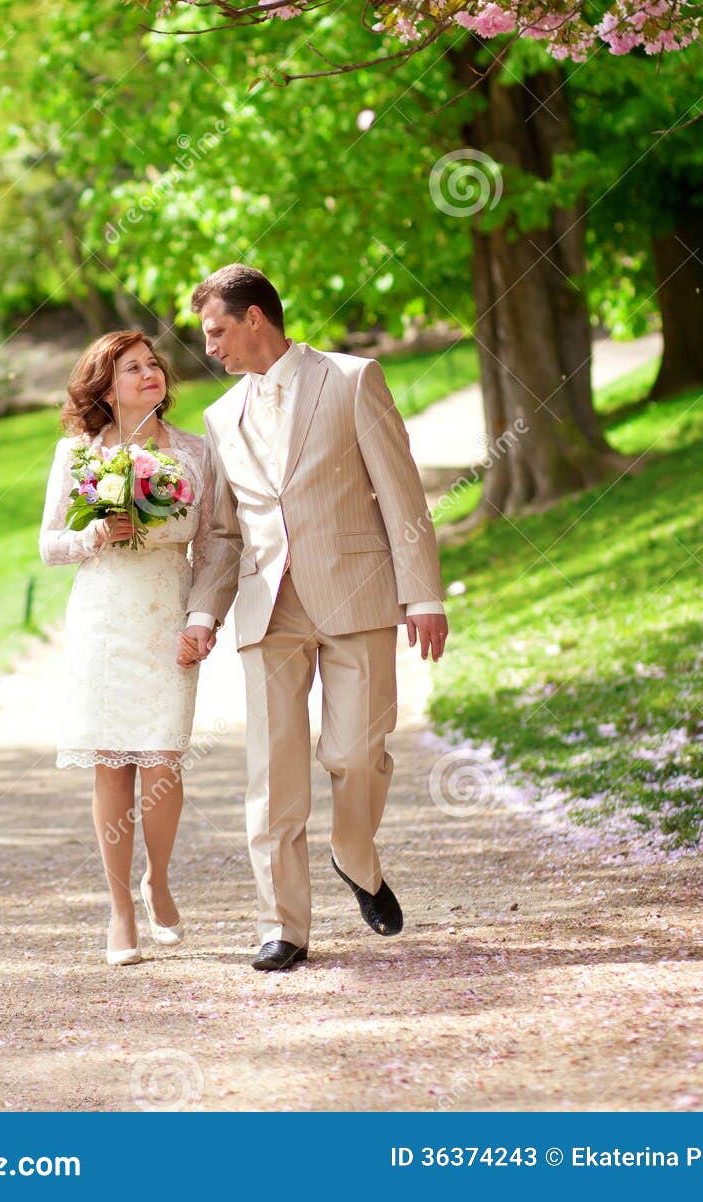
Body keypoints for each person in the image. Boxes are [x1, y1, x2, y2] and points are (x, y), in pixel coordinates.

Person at [178, 265, 447, 973]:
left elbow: (400, 494)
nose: (211, 349)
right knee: (273, 774)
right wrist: (204, 611)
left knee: (356, 754)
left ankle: (354, 854)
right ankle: (282, 925)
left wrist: (423, 596)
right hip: (270, 609)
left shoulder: (352, 380)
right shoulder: (219, 417)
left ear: (255, 318)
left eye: (216, 332)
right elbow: (226, 535)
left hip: (356, 591)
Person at [39, 331, 208, 967]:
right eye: (131, 368)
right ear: (105, 387)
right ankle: (120, 910)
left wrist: (202, 618)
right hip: (103, 617)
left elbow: (215, 539)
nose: (149, 373)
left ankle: (158, 878)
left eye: (153, 363)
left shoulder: (194, 451)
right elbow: (49, 544)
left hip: (168, 613)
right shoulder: (77, 454)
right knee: (113, 762)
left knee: (163, 761)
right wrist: (95, 535)